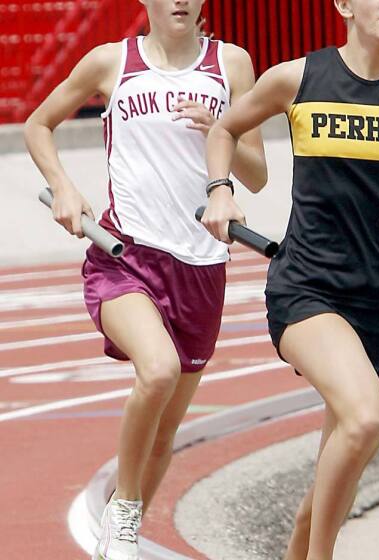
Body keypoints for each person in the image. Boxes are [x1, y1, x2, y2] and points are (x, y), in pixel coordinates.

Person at [202, 1, 379, 558]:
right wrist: (219, 190)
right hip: (308, 289)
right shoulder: (298, 77)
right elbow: (223, 129)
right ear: (344, 5)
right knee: (361, 419)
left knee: (334, 481)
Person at [23, 1, 267, 558]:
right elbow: (38, 124)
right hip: (125, 255)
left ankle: (118, 536)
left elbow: (256, 171)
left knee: (164, 434)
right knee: (156, 372)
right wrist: (62, 185)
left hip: (202, 267)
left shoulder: (232, 64)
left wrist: (220, 128)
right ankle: (125, 514)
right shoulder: (112, 62)